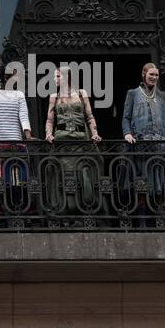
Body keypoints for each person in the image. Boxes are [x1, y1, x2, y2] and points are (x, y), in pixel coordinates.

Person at [122, 62, 165, 225]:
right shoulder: (132, 93)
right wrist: (127, 133)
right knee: (142, 186)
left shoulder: (163, 96)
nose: (154, 77)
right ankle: (143, 224)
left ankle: (164, 223)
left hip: (161, 145)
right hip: (141, 147)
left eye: (156, 75)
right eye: (151, 74)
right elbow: (126, 117)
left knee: (162, 185)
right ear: (144, 74)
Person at [44, 66, 101, 218]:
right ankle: (65, 215)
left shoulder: (82, 94)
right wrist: (48, 134)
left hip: (81, 141)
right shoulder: (53, 97)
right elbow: (50, 120)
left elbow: (90, 117)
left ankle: (85, 213)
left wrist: (94, 134)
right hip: (62, 143)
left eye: (57, 77)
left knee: (83, 178)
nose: (55, 80)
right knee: (63, 178)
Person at [0, 83, 33, 221]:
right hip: (0, 142)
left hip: (15, 142)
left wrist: (28, 135)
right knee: (0, 180)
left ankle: (19, 209)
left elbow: (23, 116)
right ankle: (0, 209)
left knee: (19, 180)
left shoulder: (19, 94)